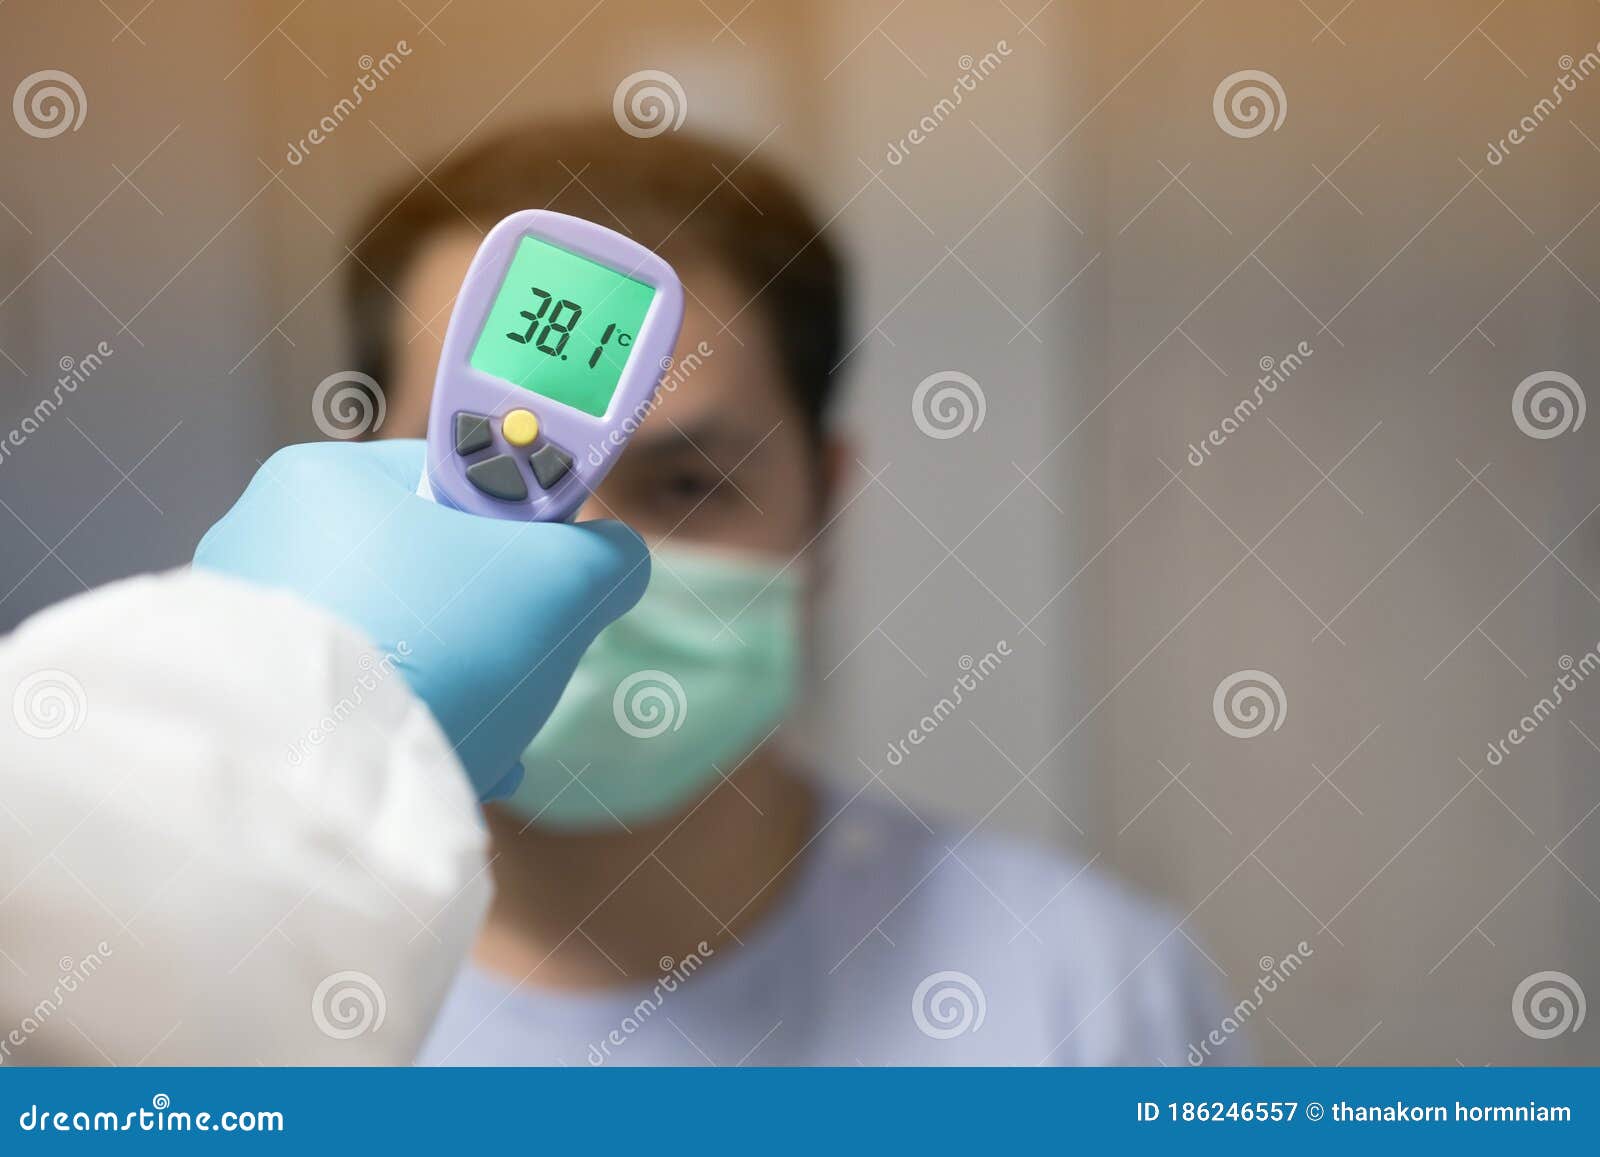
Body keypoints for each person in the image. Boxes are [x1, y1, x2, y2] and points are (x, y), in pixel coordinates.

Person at [329, 118, 1239, 1066]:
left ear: (827, 501)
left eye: (686, 486)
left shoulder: (1088, 992)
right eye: (500, 474)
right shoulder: (209, 987)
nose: (578, 566)